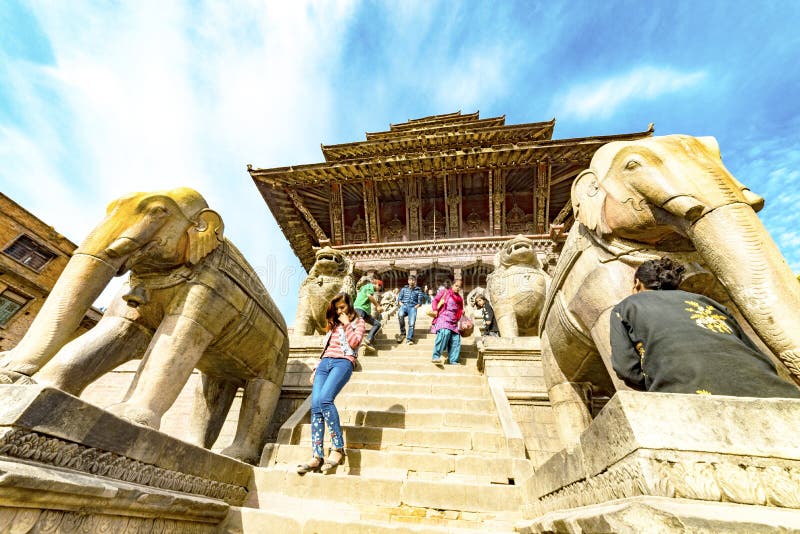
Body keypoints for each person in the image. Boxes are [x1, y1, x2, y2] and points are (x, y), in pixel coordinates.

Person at [610, 258, 800, 398]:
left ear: (637, 283)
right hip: (772, 389)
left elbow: (626, 368)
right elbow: (755, 352)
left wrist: (658, 380)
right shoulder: (709, 302)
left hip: (685, 392)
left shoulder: (626, 306)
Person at [297, 293, 365, 475]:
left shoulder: (358, 323)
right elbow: (326, 348)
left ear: (349, 306)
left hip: (343, 362)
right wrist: (316, 369)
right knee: (316, 406)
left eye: (342, 307)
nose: (339, 311)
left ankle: (338, 449)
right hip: (324, 363)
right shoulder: (333, 326)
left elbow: (355, 342)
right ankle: (316, 455)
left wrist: (346, 323)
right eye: (337, 308)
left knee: (326, 399)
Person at [430, 279, 464, 365]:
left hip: (454, 321)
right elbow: (435, 300)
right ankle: (436, 356)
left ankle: (453, 360)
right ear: (452, 285)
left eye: (459, 287)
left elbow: (460, 310)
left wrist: (462, 312)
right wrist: (434, 310)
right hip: (443, 317)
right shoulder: (444, 292)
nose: (458, 288)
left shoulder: (459, 298)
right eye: (456, 286)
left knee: (456, 339)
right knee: (445, 333)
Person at [353, 275, 383, 350]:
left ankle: (368, 339)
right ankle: (352, 343)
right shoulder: (370, 286)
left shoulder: (364, 287)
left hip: (365, 311)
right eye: (380, 288)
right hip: (360, 308)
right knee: (356, 326)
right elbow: (369, 296)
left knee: (377, 324)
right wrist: (377, 306)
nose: (379, 290)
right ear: (378, 285)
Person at [396, 275, 426, 344]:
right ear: (408, 281)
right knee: (400, 315)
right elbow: (399, 299)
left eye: (413, 280)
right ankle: (403, 333)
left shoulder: (418, 290)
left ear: (415, 281)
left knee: (411, 323)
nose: (411, 281)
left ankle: (409, 338)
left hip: (412, 307)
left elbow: (420, 302)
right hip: (404, 306)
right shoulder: (404, 289)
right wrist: (401, 305)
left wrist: (415, 307)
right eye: (410, 280)